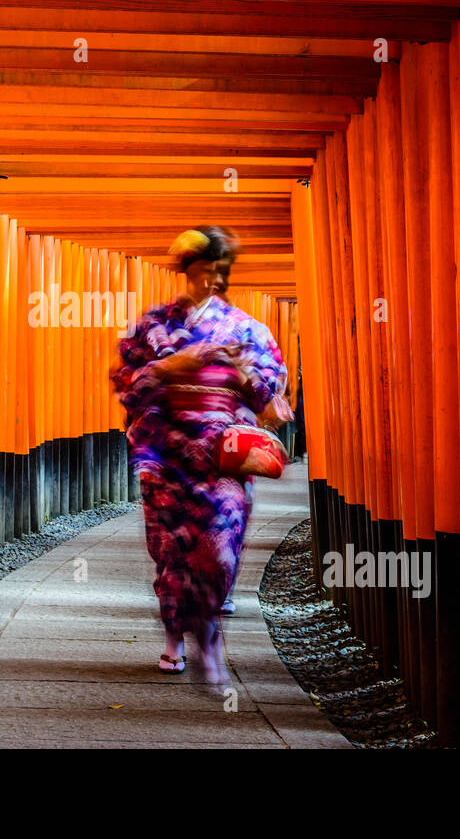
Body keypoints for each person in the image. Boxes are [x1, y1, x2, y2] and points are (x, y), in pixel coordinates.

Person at [111, 226, 288, 686]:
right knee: (171, 549)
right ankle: (174, 635)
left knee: (220, 546)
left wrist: (246, 373)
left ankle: (208, 634)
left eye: (221, 272)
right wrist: (172, 365)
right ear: (188, 271)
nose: (214, 281)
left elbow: (272, 394)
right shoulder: (152, 326)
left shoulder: (249, 329)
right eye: (206, 271)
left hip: (221, 454)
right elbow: (126, 385)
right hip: (166, 453)